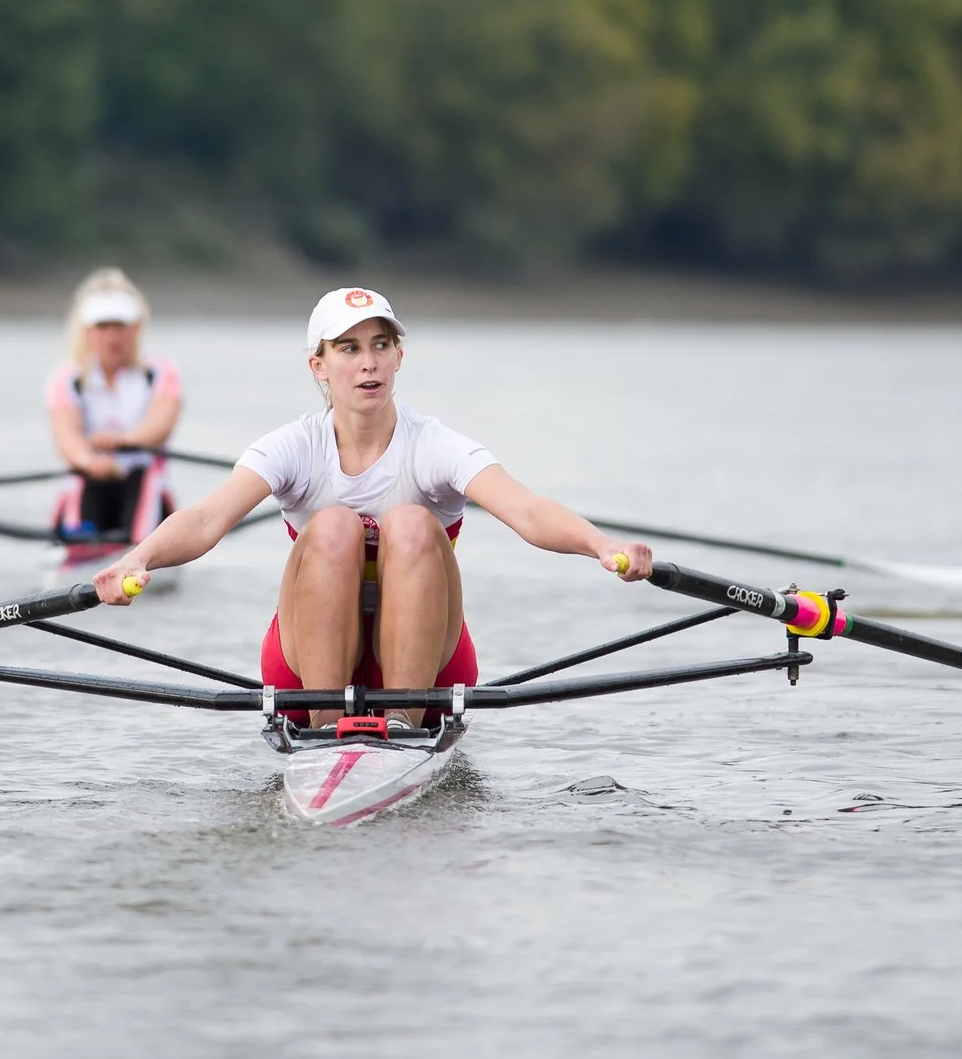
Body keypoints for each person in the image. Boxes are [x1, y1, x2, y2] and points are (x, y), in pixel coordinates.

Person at [91, 286, 653, 724]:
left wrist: (601, 545)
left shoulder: (434, 445)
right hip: (304, 666)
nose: (369, 364)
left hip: (430, 669)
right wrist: (137, 558)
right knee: (332, 527)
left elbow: (528, 513)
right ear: (319, 365)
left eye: (381, 346)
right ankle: (327, 724)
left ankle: (403, 725)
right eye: (350, 348)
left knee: (410, 523)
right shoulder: (294, 446)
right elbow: (206, 519)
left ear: (399, 356)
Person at [45, 269, 184, 565]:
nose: (112, 336)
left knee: (145, 478)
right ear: (86, 331)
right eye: (103, 326)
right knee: (81, 479)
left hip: (142, 481)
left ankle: (140, 554)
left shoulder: (159, 373)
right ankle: (77, 556)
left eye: (120, 326)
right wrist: (87, 460)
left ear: (135, 328)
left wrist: (123, 442)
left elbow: (160, 424)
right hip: (91, 477)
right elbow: (66, 435)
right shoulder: (67, 379)